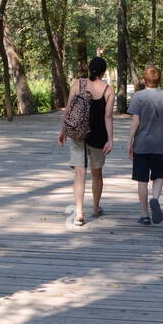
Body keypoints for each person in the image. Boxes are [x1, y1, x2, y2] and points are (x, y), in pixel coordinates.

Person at [57, 56, 114, 227]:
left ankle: (80, 213)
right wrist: (110, 140)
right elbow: (108, 116)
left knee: (79, 174)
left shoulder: (78, 84)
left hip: (77, 134)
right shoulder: (108, 90)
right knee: (97, 174)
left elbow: (69, 109)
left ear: (89, 69)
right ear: (103, 72)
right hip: (98, 137)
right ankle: (95, 208)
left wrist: (63, 130)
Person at [127, 65, 163, 225]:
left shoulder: (139, 97)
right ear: (159, 80)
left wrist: (130, 141)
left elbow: (135, 121)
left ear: (144, 80)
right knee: (158, 175)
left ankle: (145, 215)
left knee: (142, 179)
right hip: (159, 143)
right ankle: (155, 198)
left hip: (142, 144)